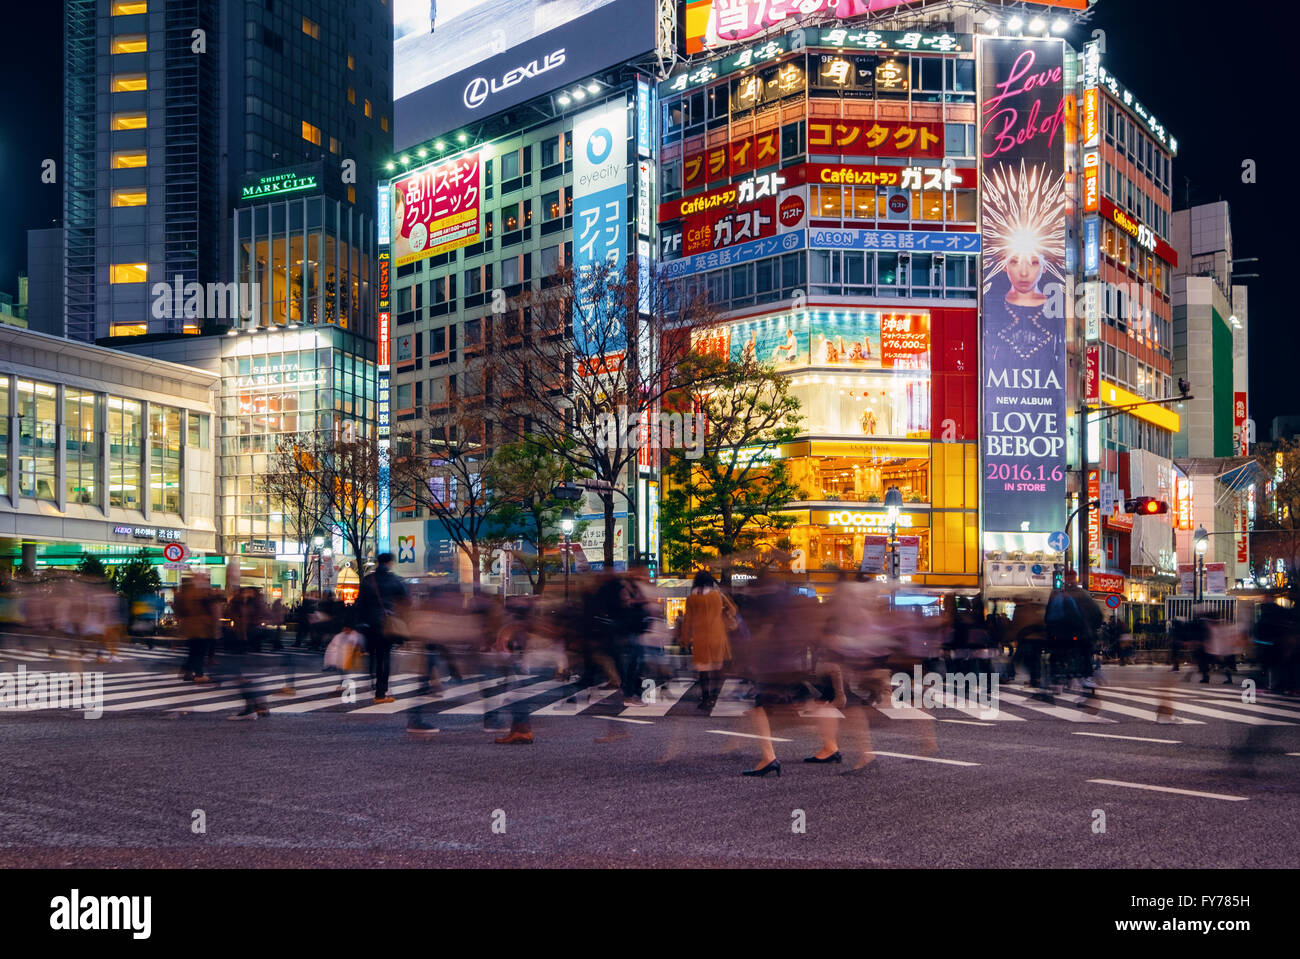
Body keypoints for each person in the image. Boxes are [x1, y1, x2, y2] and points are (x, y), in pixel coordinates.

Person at [356, 553, 409, 705]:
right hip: (386, 623)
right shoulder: (395, 580)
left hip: (369, 624)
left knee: (372, 655)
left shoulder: (368, 580)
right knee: (384, 657)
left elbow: (360, 603)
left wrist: (359, 624)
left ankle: (373, 682)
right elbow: (405, 601)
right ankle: (381, 691)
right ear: (390, 563)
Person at [676, 571, 730, 712]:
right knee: (718, 669)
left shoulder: (692, 599)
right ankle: (714, 696)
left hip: (701, 637)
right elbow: (733, 610)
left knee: (703, 671)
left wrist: (685, 640)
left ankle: (706, 699)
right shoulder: (717, 595)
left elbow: (687, 621)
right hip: (718, 635)